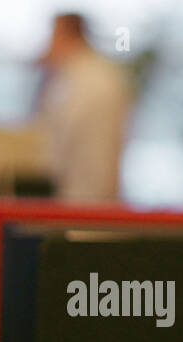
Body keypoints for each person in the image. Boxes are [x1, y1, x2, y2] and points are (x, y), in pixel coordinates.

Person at [35, 13, 132, 202]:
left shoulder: (88, 81)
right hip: (84, 190)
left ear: (66, 35)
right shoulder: (85, 75)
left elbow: (58, 142)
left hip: (86, 192)